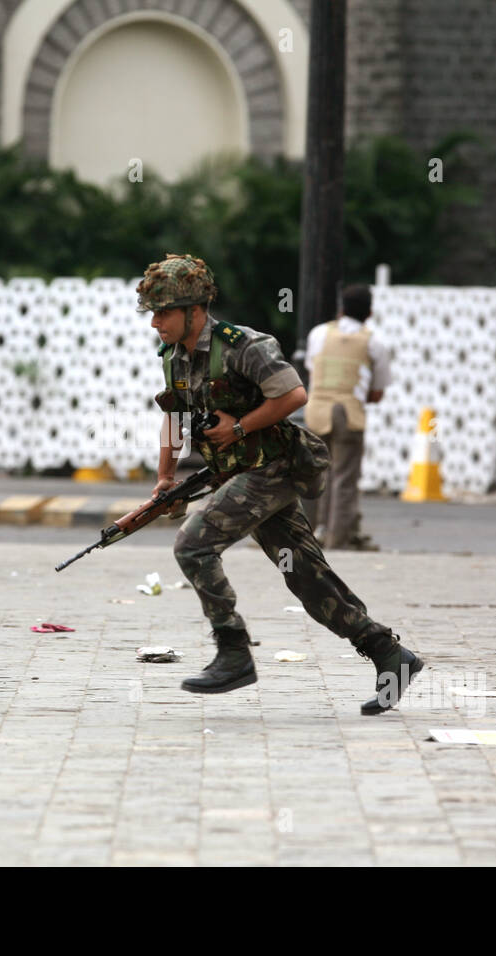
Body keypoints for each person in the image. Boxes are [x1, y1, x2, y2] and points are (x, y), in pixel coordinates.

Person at [139, 253, 423, 714]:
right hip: (239, 472)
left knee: (192, 545)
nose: (155, 322)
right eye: (151, 312)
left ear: (194, 310)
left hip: (272, 468)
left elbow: (293, 394)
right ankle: (389, 654)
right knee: (306, 575)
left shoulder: (243, 345)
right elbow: (173, 417)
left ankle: (233, 650)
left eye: (163, 311)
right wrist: (166, 479)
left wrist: (237, 428)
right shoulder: (173, 359)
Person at [304, 283, 391, 551]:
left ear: (341, 309)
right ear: (369, 312)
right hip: (349, 413)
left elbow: (311, 368)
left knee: (312, 474)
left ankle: (304, 536)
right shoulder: (374, 342)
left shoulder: (318, 333)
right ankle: (337, 538)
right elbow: (377, 393)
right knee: (343, 477)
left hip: (316, 409)